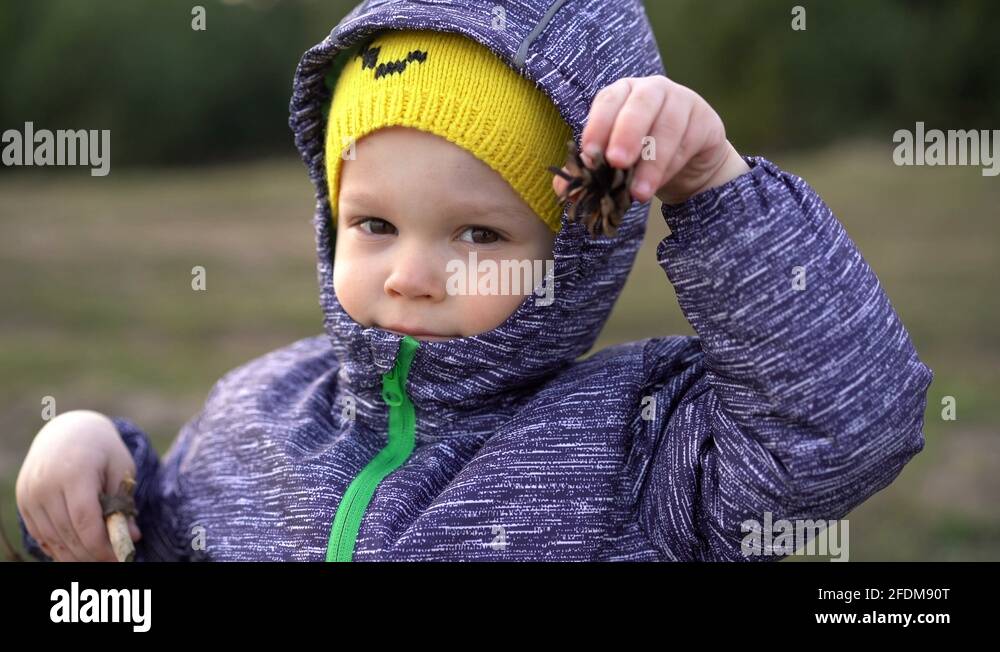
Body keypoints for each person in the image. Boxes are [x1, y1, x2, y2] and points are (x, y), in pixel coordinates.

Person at [16, 1, 931, 562]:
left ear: (574, 252)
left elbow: (843, 428)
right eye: (373, 224)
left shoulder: (642, 449)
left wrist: (715, 189)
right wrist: (98, 471)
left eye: (478, 233)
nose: (412, 276)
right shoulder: (252, 413)